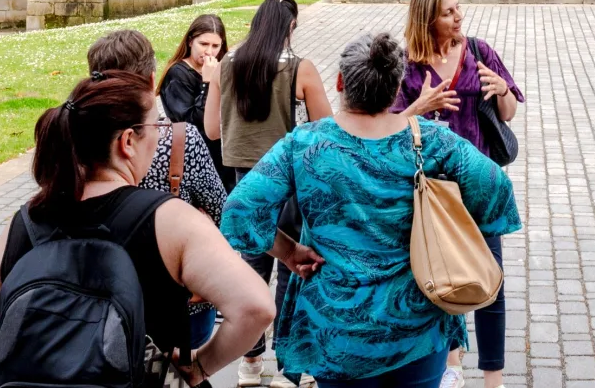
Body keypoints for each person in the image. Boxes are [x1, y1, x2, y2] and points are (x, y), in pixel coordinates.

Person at [223, 32, 520, 388]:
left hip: (335, 326)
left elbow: (239, 210)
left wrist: (288, 252)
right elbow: (496, 191)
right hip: (418, 322)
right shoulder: (432, 140)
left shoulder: (305, 144)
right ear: (397, 88)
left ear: (339, 82)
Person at [0, 71, 273, 388]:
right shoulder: (170, 220)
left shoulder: (26, 220)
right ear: (127, 141)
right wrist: (199, 368)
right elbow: (255, 307)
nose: (161, 134)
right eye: (157, 125)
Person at [395, 0, 523, 388]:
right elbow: (388, 127)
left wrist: (503, 90)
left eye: (458, 8)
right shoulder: (405, 64)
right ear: (427, 18)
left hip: (480, 184)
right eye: (449, 12)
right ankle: (450, 365)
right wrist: (421, 107)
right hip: (433, 191)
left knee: (491, 279)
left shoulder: (479, 51)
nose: (458, 16)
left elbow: (508, 113)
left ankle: (493, 377)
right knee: (441, 276)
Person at [205, 0, 333, 386]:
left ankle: (250, 361)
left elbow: (212, 130)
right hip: (291, 186)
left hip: (245, 185)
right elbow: (325, 131)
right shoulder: (300, 69)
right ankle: (289, 366)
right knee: (293, 269)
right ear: (291, 26)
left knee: (251, 272)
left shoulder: (226, 66)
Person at [88, 28, 231, 361]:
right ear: (152, 79)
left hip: (98, 302)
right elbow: (225, 214)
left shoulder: (72, 137)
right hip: (179, 303)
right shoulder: (180, 140)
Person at [159, 13, 229, 172]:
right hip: (195, 158)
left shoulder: (221, 67)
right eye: (203, 44)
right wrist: (207, 83)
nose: (209, 52)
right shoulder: (177, 74)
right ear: (190, 41)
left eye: (215, 46)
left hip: (222, 153)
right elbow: (191, 123)